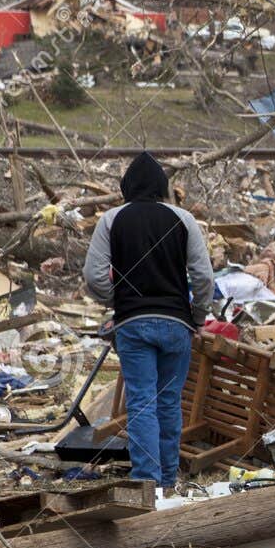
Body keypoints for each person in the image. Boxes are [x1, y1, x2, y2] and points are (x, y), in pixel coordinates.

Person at [84, 152, 214, 493]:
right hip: (176, 324)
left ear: (126, 187)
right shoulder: (184, 219)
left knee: (141, 401)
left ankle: (145, 481)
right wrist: (197, 317)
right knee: (169, 401)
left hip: (133, 325)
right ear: (162, 187)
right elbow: (203, 277)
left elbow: (94, 277)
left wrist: (119, 301)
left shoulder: (111, 220)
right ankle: (168, 481)